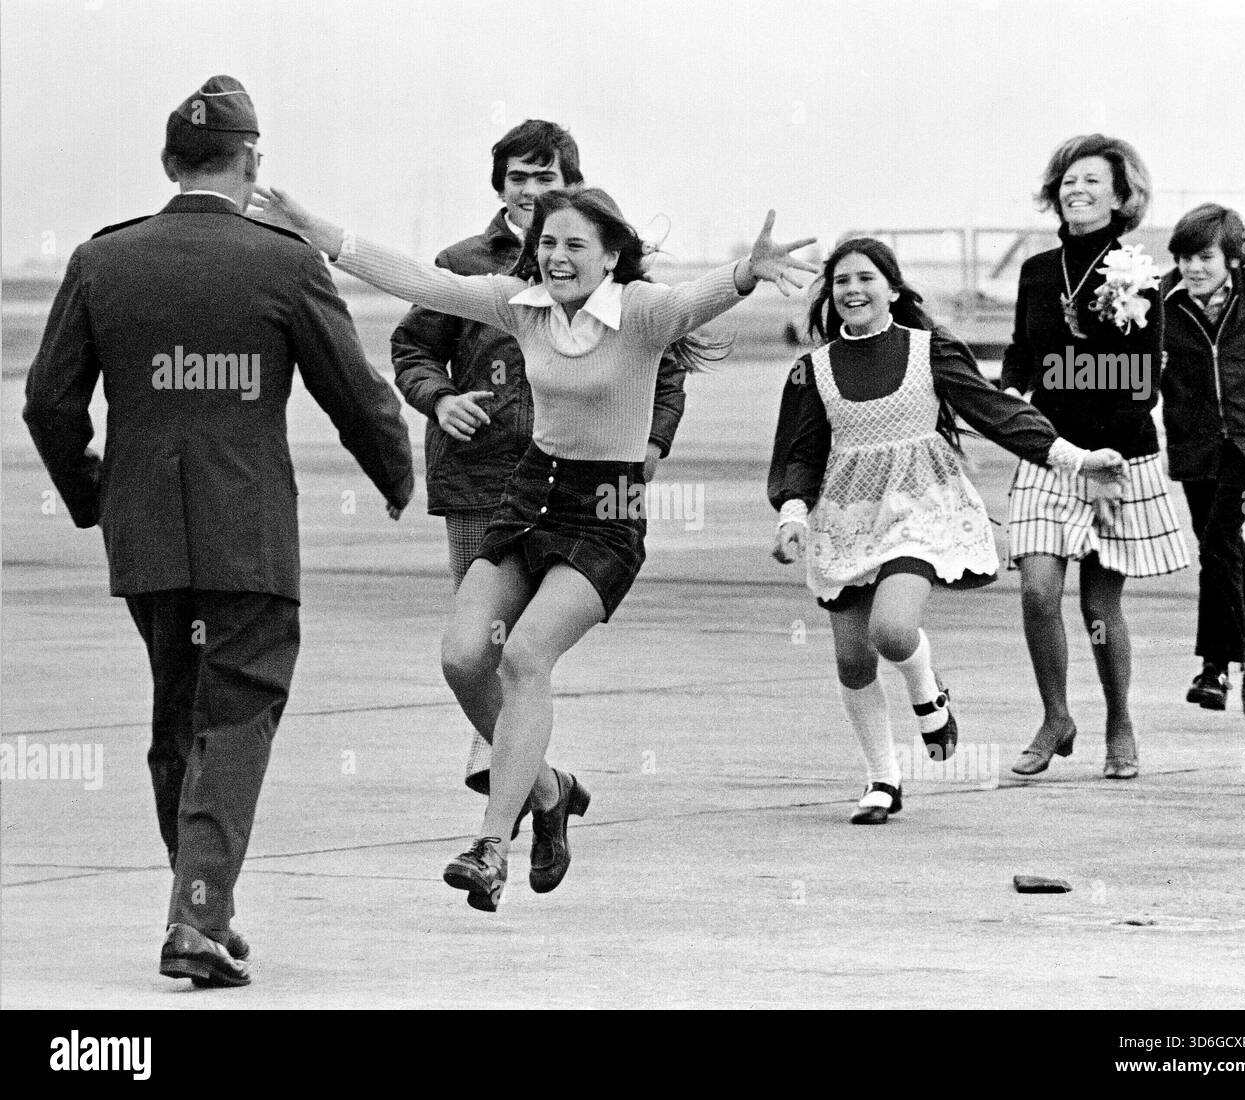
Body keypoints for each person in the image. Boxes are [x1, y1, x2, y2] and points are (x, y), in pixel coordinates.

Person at [250, 182, 815, 910]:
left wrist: (747, 271)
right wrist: (312, 228)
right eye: (548, 242)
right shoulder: (520, 307)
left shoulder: (641, 314)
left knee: (523, 656)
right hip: (530, 498)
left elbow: (700, 299)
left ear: (611, 255)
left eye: (575, 244)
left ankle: (490, 847)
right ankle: (549, 791)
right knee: (462, 657)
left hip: (606, 513)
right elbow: (417, 279)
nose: (557, 256)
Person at [23, 77, 414, 985]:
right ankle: (195, 916)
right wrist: (394, 473)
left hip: (147, 537)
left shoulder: (99, 260)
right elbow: (352, 390)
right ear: (251, 162)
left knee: (179, 721)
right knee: (235, 717)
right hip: (249, 541)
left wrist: (94, 492)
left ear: (169, 163)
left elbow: (48, 403)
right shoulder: (281, 262)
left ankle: (200, 903)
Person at [769, 238, 1128, 822]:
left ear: (892, 287)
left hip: (921, 510)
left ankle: (925, 691)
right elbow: (799, 454)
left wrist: (1077, 459)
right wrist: (791, 516)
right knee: (853, 664)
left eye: (866, 278)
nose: (852, 290)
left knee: (892, 629)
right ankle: (883, 780)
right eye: (840, 282)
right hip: (845, 519)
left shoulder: (928, 350)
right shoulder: (812, 369)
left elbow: (996, 411)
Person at [390, 119, 687, 802]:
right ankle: (532, 784)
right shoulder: (466, 262)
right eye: (518, 177)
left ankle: (515, 785)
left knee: (525, 649)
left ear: (569, 187)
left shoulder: (605, 276)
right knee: (478, 642)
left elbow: (666, 374)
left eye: (544, 177)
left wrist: (650, 446)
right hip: (482, 475)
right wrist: (438, 400)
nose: (530, 189)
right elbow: (411, 349)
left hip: (584, 487)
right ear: (500, 186)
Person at [1000, 134, 1189, 780]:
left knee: (1099, 608)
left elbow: (1142, 383)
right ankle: (1057, 717)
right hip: (1051, 455)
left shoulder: (1137, 272)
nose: (1076, 191)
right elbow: (1021, 360)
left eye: (1092, 183)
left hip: (1119, 457)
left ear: (1121, 196)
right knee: (1037, 590)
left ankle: (1119, 720)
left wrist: (1102, 460)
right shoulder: (1036, 272)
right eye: (1068, 181)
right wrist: (1005, 406)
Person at [1161, 203, 1245, 719]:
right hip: (1195, 442)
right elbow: (1131, 366)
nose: (1193, 267)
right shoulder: (1157, 301)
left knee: (1220, 538)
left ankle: (1216, 665)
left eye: (1205, 256)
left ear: (1232, 257)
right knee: (1222, 546)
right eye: (1184, 257)